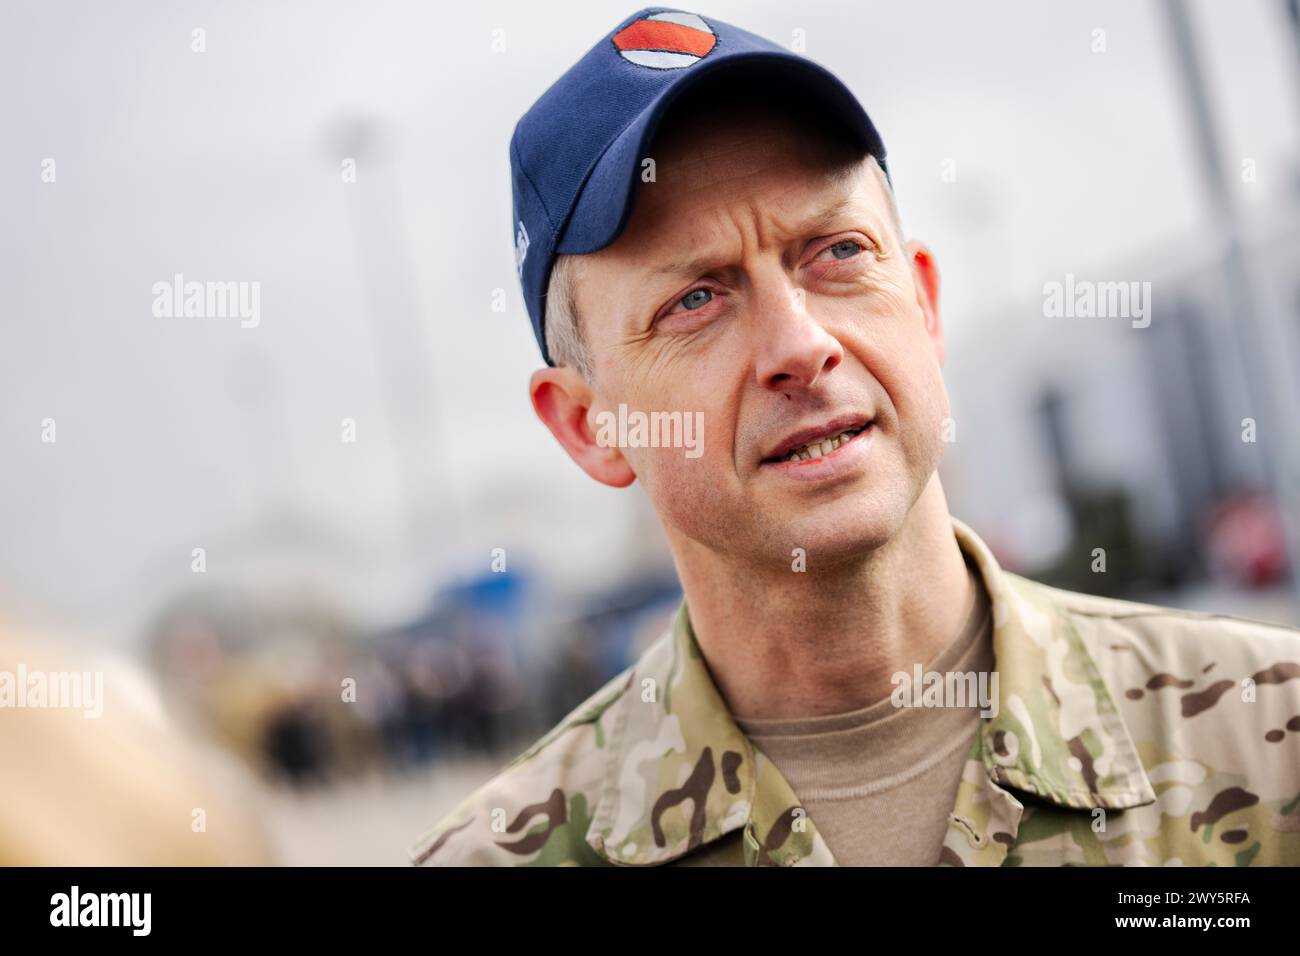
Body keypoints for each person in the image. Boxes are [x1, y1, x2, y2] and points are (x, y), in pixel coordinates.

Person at [410, 8, 1300, 866]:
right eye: (696, 300)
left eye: (836, 252)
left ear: (925, 305)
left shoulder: (1270, 740)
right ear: (588, 425)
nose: (800, 346)